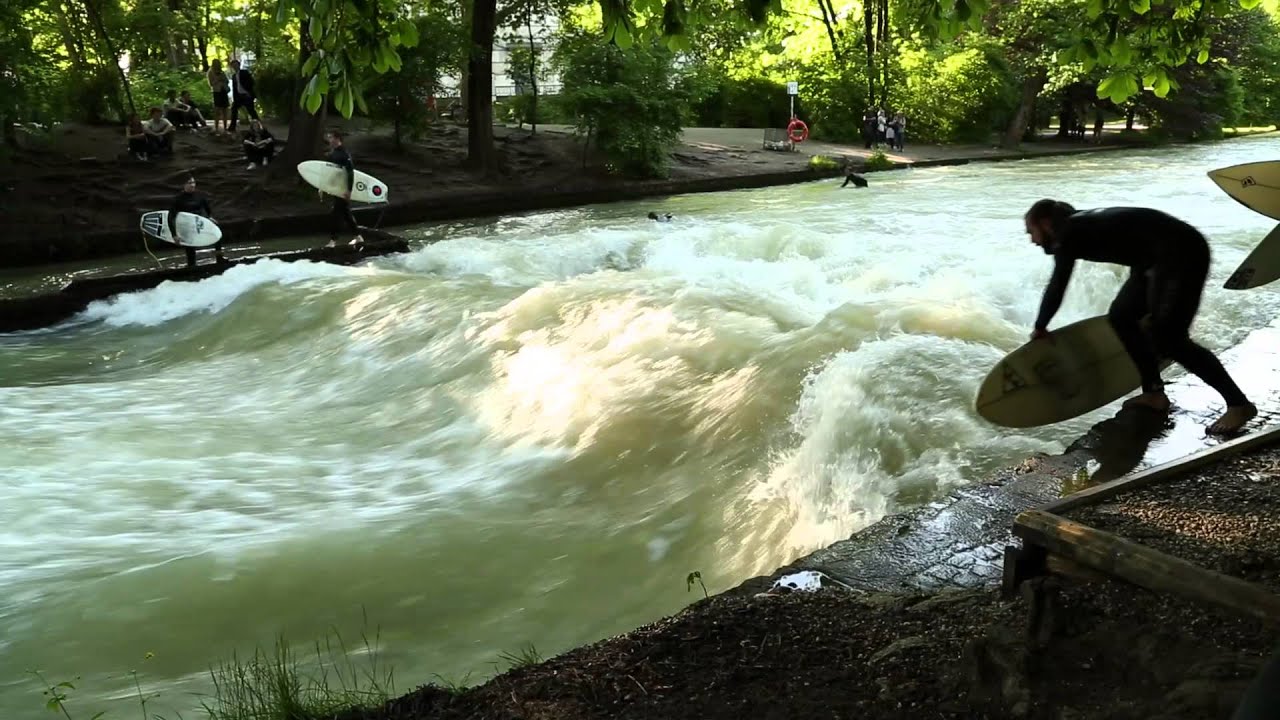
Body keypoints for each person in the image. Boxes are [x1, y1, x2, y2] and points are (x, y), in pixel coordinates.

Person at [1025, 199, 1257, 435]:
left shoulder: (1068, 232)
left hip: (1181, 253)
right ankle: (1154, 393)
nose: (1033, 240)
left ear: (1045, 223)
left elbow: (1058, 284)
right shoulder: (1078, 224)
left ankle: (1238, 404)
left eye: (1031, 231)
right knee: (1121, 316)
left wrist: (1040, 326)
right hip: (1152, 259)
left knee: (1169, 338)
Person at [167, 175, 227, 267]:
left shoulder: (199, 196)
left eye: (193, 182)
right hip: (187, 227)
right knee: (190, 248)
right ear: (184, 185)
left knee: (216, 230)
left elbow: (207, 208)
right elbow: (170, 217)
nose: (192, 185)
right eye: (189, 183)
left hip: (199, 224)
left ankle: (219, 258)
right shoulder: (178, 199)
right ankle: (191, 265)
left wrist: (209, 217)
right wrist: (174, 235)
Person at [322, 129, 364, 248]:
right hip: (337, 189)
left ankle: (333, 241)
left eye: (331, 137)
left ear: (337, 139)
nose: (329, 140)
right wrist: (323, 186)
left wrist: (349, 190)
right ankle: (358, 237)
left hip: (343, 189)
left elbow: (350, 173)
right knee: (346, 214)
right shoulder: (333, 154)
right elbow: (332, 173)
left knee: (336, 214)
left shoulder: (344, 154)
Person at [228, 59, 259, 132]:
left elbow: (251, 82)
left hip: (246, 95)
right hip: (239, 96)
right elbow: (235, 88)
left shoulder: (244, 72)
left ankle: (258, 125)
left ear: (239, 65)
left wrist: (249, 92)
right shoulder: (234, 76)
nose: (235, 67)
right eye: (233, 66)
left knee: (251, 111)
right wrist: (235, 98)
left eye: (236, 65)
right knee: (234, 109)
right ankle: (232, 127)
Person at [207, 59, 229, 135]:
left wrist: (222, 78)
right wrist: (217, 79)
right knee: (217, 110)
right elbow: (211, 84)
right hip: (217, 92)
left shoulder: (221, 71)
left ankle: (225, 127)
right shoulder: (210, 72)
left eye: (218, 63)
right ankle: (216, 127)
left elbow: (226, 80)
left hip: (223, 91)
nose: (217, 65)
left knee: (225, 110)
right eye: (216, 63)